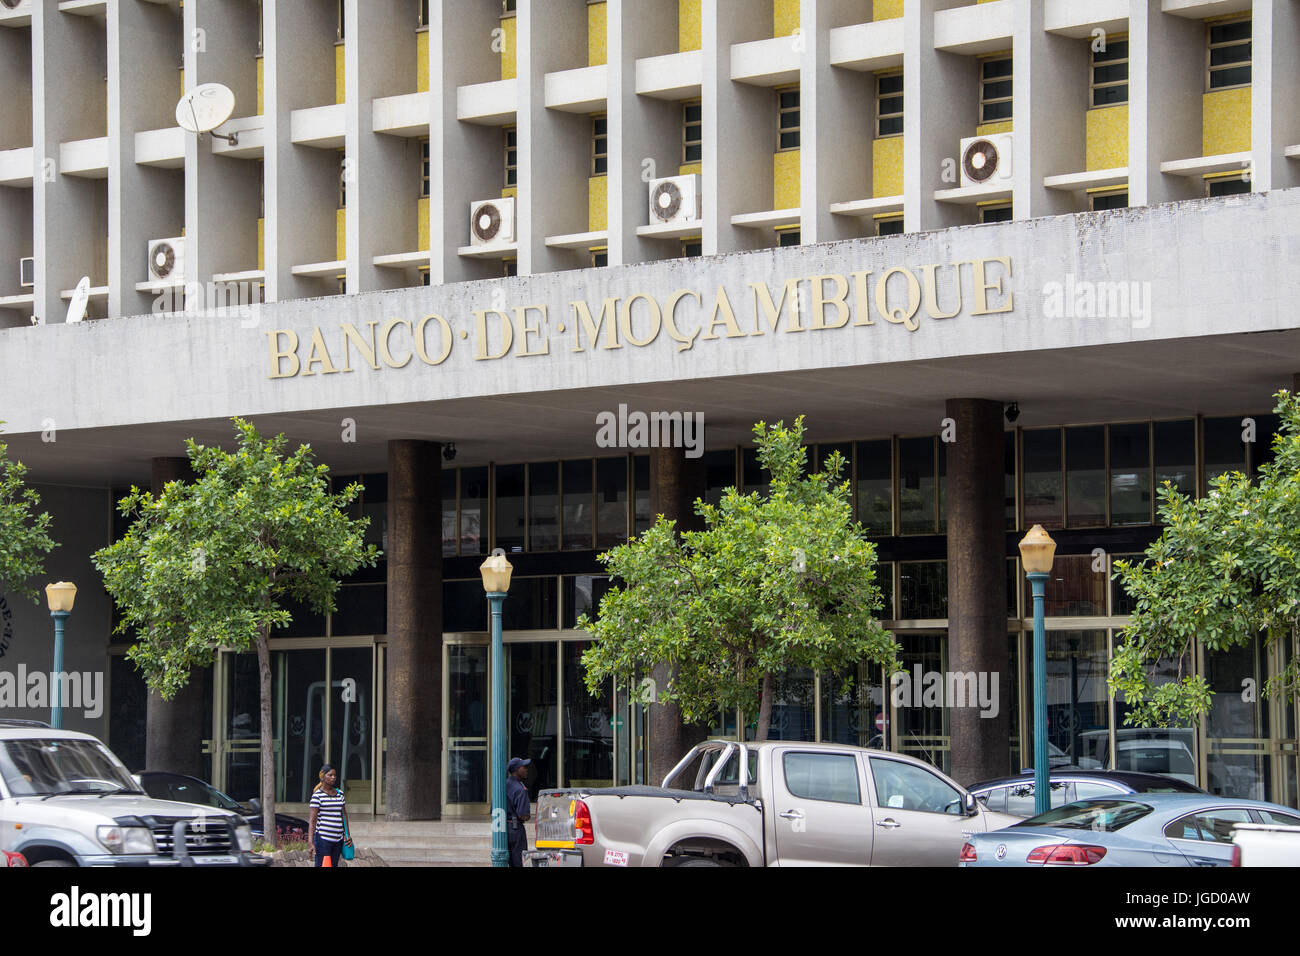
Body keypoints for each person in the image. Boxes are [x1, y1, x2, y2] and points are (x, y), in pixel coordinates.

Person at [308, 764, 352, 867]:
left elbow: (344, 815)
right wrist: (310, 841)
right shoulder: (317, 796)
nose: (333, 777)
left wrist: (347, 834)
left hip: (338, 840)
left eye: (335, 775)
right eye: (330, 775)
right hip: (323, 839)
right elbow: (312, 820)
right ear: (322, 777)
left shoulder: (340, 793)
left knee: (334, 865)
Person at [506, 757, 531, 867]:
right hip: (516, 829)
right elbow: (523, 815)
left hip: (503, 829)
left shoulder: (503, 785)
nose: (527, 769)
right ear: (516, 770)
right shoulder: (520, 789)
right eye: (524, 767)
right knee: (519, 862)